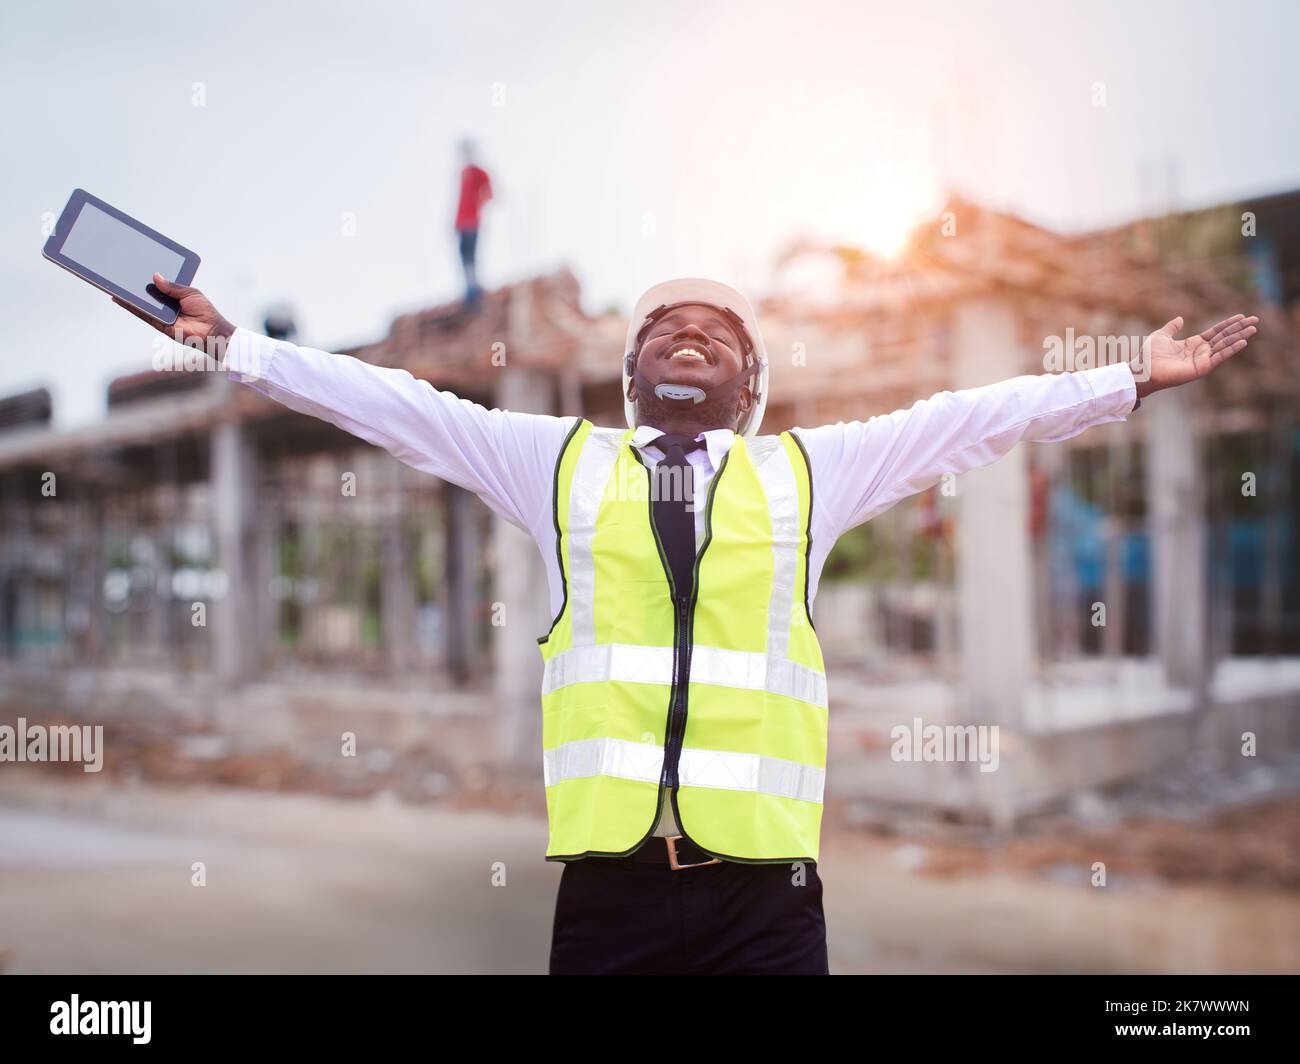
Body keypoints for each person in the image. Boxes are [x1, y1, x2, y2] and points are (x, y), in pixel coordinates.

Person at [115, 273, 1257, 974]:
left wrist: (1124, 377)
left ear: (748, 380)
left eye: (714, 330)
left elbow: (967, 418)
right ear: (629, 374)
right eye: (665, 327)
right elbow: (398, 407)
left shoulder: (809, 474)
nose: (688, 336)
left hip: (764, 900)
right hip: (609, 894)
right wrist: (234, 345)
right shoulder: (556, 463)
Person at [454, 139, 492, 308]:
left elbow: (489, 192)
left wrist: (478, 205)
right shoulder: (464, 173)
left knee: (470, 254)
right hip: (462, 222)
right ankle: (470, 287)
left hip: (472, 221)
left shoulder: (479, 172)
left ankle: (474, 289)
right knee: (464, 254)